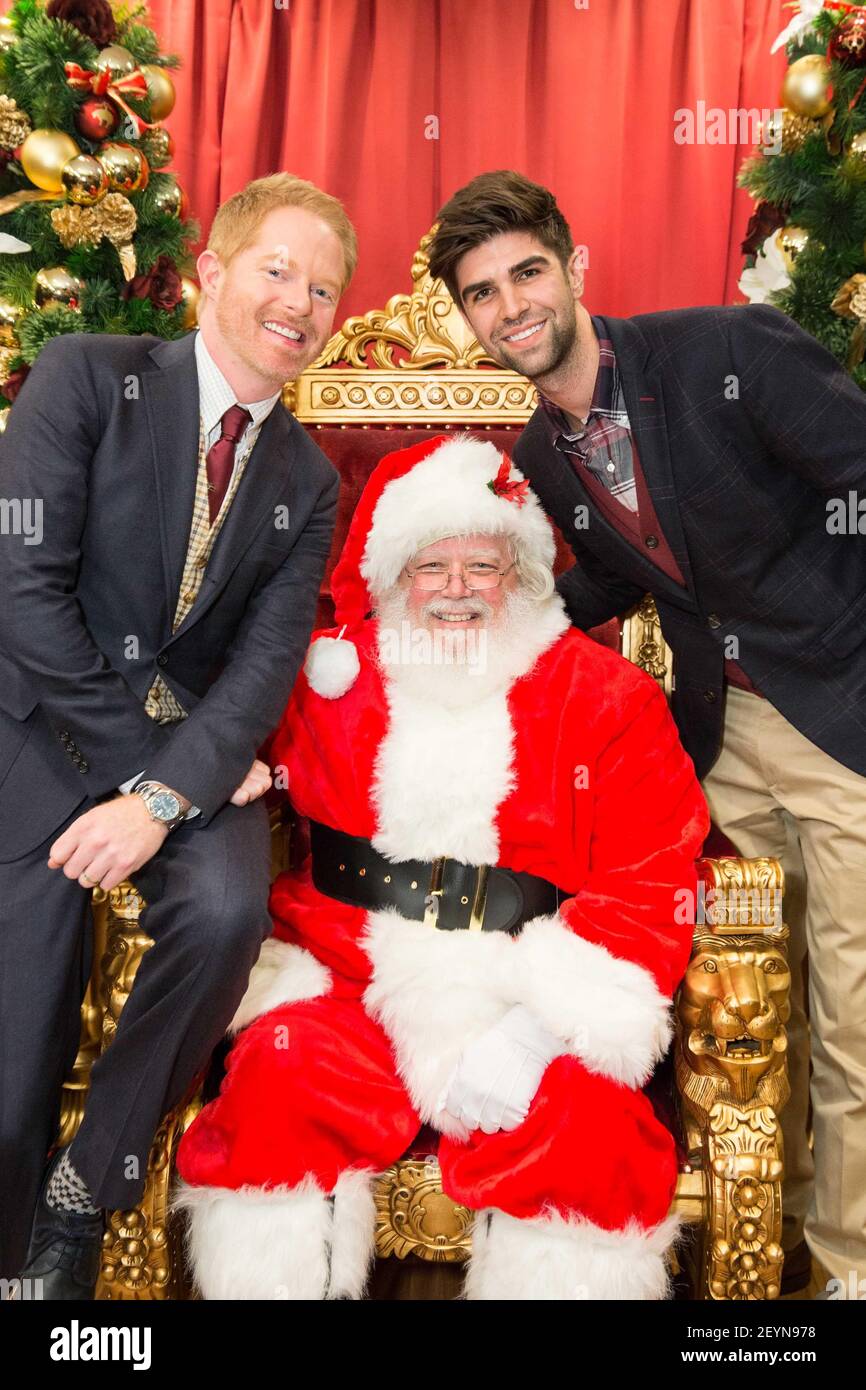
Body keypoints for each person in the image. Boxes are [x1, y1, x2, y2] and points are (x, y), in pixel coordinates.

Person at [426, 170, 866, 1292]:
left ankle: (848, 1268)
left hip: (837, 716)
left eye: (526, 272)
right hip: (718, 747)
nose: (510, 305)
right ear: (466, 320)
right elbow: (615, 584)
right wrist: (482, 639)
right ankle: (768, 1247)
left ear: (573, 270)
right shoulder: (538, 457)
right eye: (481, 293)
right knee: (754, 996)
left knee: (852, 1014)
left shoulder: (729, 350)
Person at [171, 433, 709, 1300]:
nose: (456, 591)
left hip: (525, 983)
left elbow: (652, 878)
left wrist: (538, 1029)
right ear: (393, 577)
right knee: (279, 1074)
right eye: (432, 565)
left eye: (483, 566)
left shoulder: (608, 698)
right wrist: (221, 768)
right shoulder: (327, 679)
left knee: (587, 1126)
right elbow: (223, 735)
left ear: (524, 575)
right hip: (347, 972)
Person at [0, 172, 355, 1297]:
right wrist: (144, 777)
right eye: (278, 269)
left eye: (326, 290)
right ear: (211, 270)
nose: (301, 302)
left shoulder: (310, 480)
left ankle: (85, 1188)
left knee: (225, 908)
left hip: (187, 764)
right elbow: (20, 593)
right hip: (40, 725)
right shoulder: (86, 379)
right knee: (13, 1046)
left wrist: (162, 801)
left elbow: (258, 674)